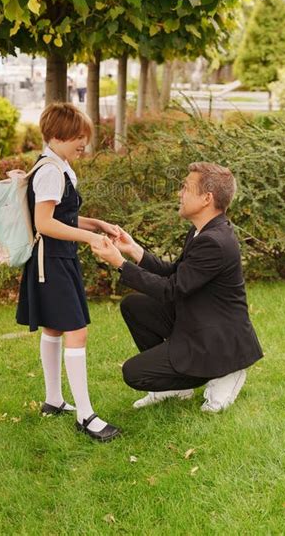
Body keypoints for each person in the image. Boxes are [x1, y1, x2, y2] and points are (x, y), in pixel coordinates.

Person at [92, 162, 263, 413]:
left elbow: (170, 290)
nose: (179, 193)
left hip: (218, 339)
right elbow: (176, 275)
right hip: (198, 318)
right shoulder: (202, 232)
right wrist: (134, 251)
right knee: (135, 305)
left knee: (134, 373)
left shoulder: (214, 242)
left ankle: (225, 370)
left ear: (207, 198)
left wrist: (119, 263)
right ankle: (174, 387)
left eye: (185, 187)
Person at [16, 102, 121, 441]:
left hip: (56, 261)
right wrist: (90, 236)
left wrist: (97, 223)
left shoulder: (56, 166)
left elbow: (62, 217)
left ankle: (54, 401)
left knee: (55, 329)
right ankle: (86, 416)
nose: (83, 144)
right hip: (52, 262)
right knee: (76, 332)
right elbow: (44, 223)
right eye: (77, 137)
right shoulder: (50, 171)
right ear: (56, 136)